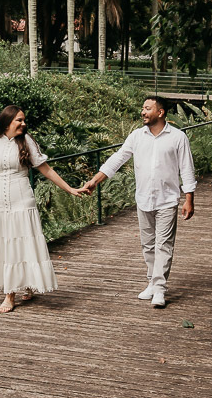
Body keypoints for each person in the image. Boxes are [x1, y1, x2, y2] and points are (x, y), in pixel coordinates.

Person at [78, 96, 196, 308]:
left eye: (147, 108)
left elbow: (187, 169)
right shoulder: (136, 136)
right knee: (148, 244)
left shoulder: (178, 137)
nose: (143, 112)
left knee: (163, 245)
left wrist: (189, 199)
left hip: (167, 199)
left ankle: (160, 289)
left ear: (160, 113)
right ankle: (152, 281)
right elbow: (117, 159)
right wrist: (95, 180)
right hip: (143, 199)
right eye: (142, 108)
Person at [0, 105, 83, 313]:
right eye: (19, 120)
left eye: (24, 120)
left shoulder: (26, 141)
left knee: (23, 241)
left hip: (22, 199)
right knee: (6, 244)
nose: (23, 124)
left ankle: (10, 295)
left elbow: (46, 169)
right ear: (7, 122)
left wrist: (69, 189)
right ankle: (15, 287)